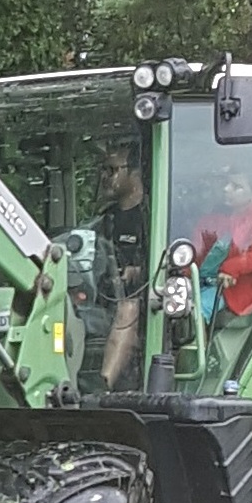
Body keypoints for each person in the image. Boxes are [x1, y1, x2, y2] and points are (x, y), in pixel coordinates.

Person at [88, 142, 148, 391]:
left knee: (128, 310)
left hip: (143, 301)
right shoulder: (105, 218)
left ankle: (103, 387)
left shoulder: (151, 216)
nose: (104, 177)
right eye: (103, 169)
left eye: (112, 170)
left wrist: (138, 270)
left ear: (135, 173)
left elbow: (163, 264)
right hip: (103, 296)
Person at [195, 163, 252, 322]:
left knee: (195, 311)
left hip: (235, 290)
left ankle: (197, 345)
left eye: (236, 187)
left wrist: (233, 267)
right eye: (227, 184)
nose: (227, 189)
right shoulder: (214, 217)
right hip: (196, 282)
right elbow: (196, 251)